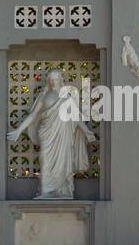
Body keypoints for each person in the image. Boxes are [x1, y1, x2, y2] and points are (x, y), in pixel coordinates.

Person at [7, 69, 96, 199]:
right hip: (47, 133)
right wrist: (18, 130)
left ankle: (63, 192)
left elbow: (76, 117)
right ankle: (45, 192)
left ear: (60, 80)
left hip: (63, 134)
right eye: (52, 79)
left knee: (63, 162)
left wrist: (86, 131)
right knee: (45, 160)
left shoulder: (66, 97)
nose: (54, 82)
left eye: (56, 79)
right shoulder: (44, 96)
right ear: (49, 81)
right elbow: (33, 115)